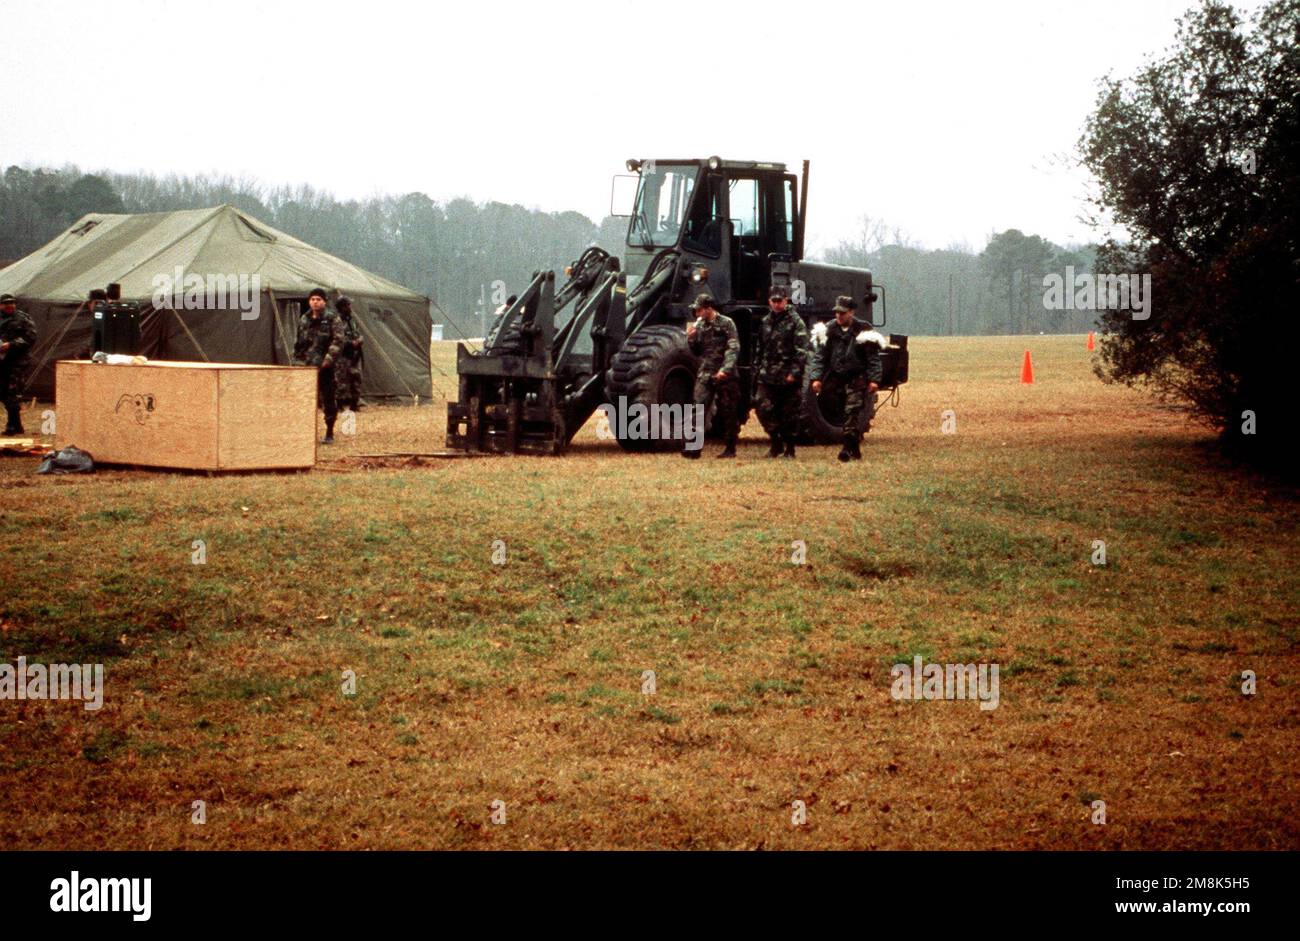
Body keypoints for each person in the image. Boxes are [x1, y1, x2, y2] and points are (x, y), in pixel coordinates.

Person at [810, 296, 884, 462]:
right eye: (837, 312)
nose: (839, 316)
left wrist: (874, 380)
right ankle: (855, 447)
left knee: (852, 411)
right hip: (836, 379)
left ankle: (846, 449)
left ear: (851, 312)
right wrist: (816, 378)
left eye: (842, 313)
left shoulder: (863, 330)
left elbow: (873, 359)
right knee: (840, 411)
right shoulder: (829, 329)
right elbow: (820, 356)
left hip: (856, 377)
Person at [752, 285, 810, 458]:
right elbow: (760, 348)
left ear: (786, 300)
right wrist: (757, 370)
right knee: (762, 407)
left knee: (789, 414)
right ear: (769, 301)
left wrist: (794, 373)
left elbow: (802, 351)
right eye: (774, 301)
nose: (777, 304)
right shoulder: (766, 321)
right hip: (767, 375)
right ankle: (775, 443)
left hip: (788, 377)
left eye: (780, 301)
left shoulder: (796, 322)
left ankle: (790, 449)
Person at [684, 293, 740, 459]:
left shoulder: (726, 323)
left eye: (700, 310)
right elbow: (696, 351)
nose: (697, 314)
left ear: (709, 308)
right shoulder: (700, 326)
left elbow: (733, 348)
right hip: (706, 373)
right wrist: (691, 338)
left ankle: (730, 447)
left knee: (728, 410)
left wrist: (726, 369)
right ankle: (694, 448)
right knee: (698, 408)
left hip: (724, 373)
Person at [293, 288, 345, 444]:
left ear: (324, 301)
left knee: (328, 398)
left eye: (318, 299)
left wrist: (328, 360)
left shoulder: (332, 319)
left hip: (325, 367)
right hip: (307, 366)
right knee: (305, 399)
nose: (315, 302)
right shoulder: (304, 319)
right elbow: (299, 342)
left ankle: (329, 431)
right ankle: (305, 431)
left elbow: (338, 341)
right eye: (312, 299)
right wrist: (297, 360)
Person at [0, 294, 38, 435]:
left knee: (12, 392)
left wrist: (11, 345)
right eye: (6, 303)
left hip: (17, 361)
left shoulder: (22, 318)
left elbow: (31, 337)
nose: (10, 306)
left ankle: (11, 425)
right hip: (1, 361)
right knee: (3, 393)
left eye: (12, 303)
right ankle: (17, 425)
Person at [334, 296, 364, 413]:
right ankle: (339, 404)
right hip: (343, 355)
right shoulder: (337, 321)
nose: (350, 307)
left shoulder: (352, 320)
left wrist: (360, 339)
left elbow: (357, 333)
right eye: (348, 305)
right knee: (340, 380)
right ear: (342, 307)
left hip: (355, 355)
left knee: (356, 379)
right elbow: (337, 338)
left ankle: (354, 403)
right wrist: (351, 343)